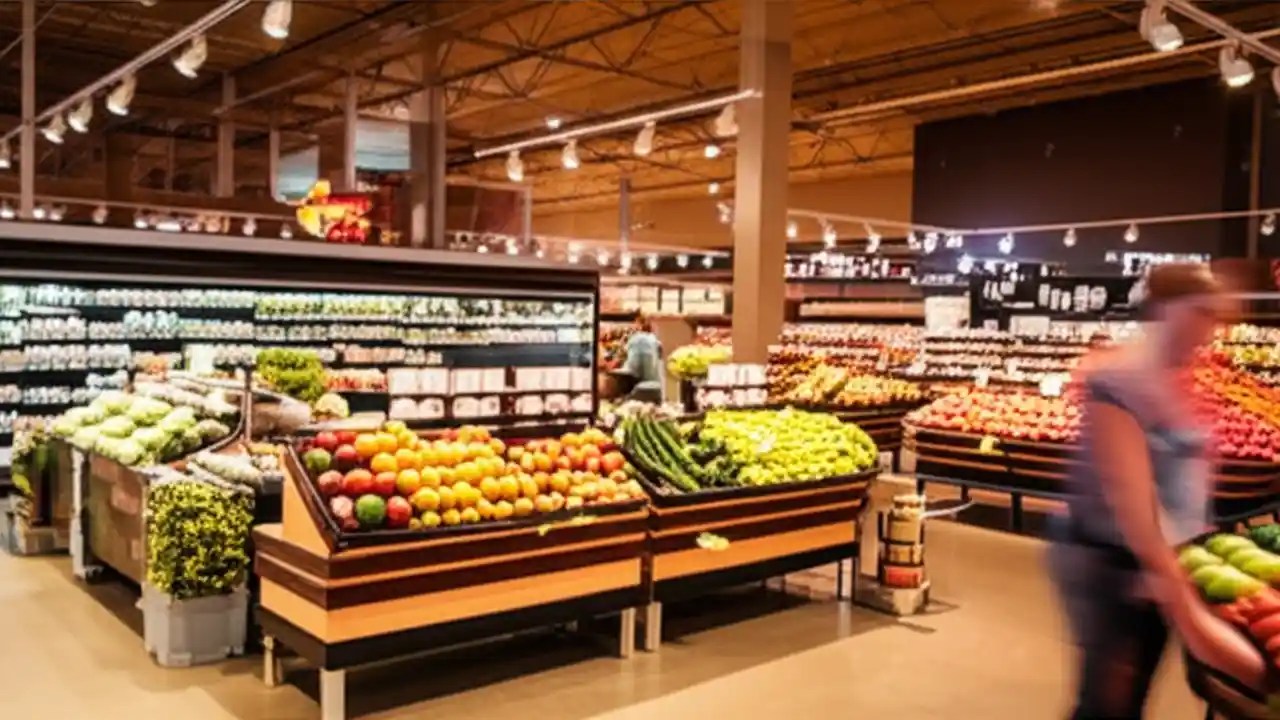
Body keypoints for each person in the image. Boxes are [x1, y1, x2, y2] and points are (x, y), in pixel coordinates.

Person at [1050, 263, 1262, 719]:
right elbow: (1134, 506)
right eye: (1201, 313)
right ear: (1167, 310)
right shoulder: (1120, 380)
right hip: (1108, 567)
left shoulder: (1183, 376)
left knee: (1132, 688)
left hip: (1158, 565)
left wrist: (1203, 562)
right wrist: (1190, 613)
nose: (1210, 329)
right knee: (1107, 702)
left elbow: (1186, 479)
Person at [613, 317, 664, 404]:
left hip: (639, 390)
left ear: (638, 326)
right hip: (657, 389)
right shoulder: (655, 341)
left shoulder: (636, 340)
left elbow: (633, 369)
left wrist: (615, 372)